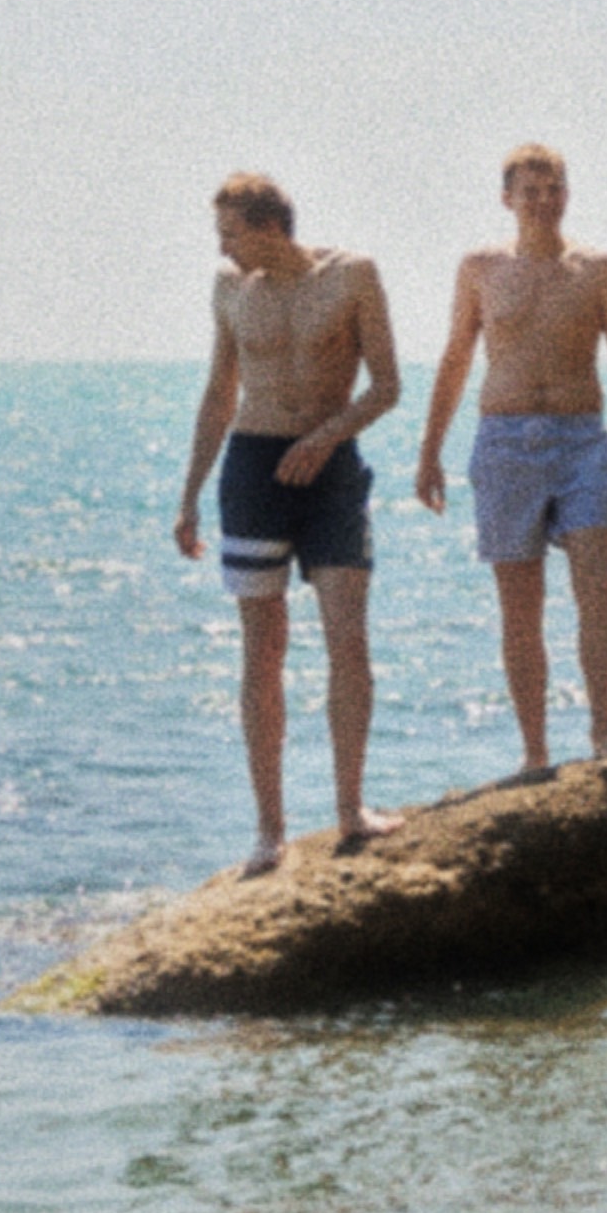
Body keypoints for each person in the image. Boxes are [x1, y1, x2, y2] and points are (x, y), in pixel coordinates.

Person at [410, 143, 607, 777]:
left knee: (597, 588)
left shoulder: (598, 269)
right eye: (528, 191)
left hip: (582, 441)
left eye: (552, 188)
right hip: (504, 443)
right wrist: (429, 452)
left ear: (567, 194)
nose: (541, 201)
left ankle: (604, 735)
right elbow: (455, 358)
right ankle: (535, 751)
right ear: (507, 199)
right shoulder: (480, 268)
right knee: (520, 606)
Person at [169, 173, 402, 877]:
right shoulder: (230, 288)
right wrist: (190, 495)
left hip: (331, 471)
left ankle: (351, 809)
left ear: (270, 228)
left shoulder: (352, 276)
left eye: (231, 232)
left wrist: (326, 438)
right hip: (253, 471)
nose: (222, 247)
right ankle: (270, 832)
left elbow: (386, 386)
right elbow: (220, 392)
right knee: (262, 650)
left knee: (347, 636)